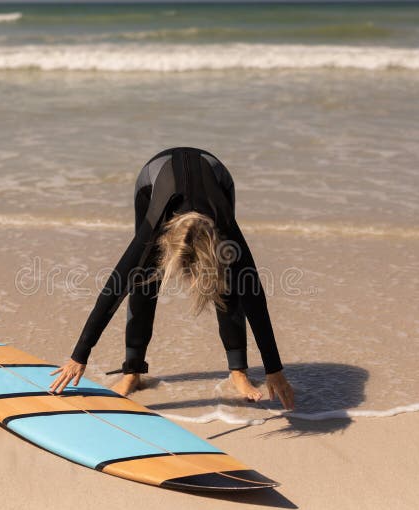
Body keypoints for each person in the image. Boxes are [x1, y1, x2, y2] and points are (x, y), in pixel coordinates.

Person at [49, 147, 295, 410]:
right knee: (142, 278)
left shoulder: (225, 230)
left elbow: (254, 298)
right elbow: (114, 289)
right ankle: (132, 372)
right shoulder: (154, 229)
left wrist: (274, 369)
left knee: (231, 280)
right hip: (154, 176)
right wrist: (79, 355)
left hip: (215, 175)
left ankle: (238, 372)